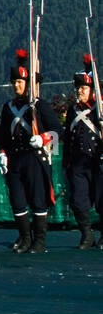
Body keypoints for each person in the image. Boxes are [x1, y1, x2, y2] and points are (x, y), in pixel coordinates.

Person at [0, 49, 63, 253]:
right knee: (17, 200)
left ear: (28, 85)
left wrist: (43, 138)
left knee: (38, 200)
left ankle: (39, 241)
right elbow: (4, 136)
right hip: (15, 159)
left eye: (20, 82)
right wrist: (2, 153)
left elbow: (58, 131)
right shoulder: (8, 108)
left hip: (35, 158)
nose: (16, 86)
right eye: (14, 82)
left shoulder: (39, 106)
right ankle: (25, 238)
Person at [63, 57, 102, 249]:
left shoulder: (99, 110)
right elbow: (68, 137)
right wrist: (66, 163)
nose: (80, 91)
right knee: (78, 200)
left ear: (92, 90)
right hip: (78, 163)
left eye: (84, 88)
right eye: (78, 88)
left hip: (97, 161)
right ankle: (87, 235)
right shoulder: (73, 111)